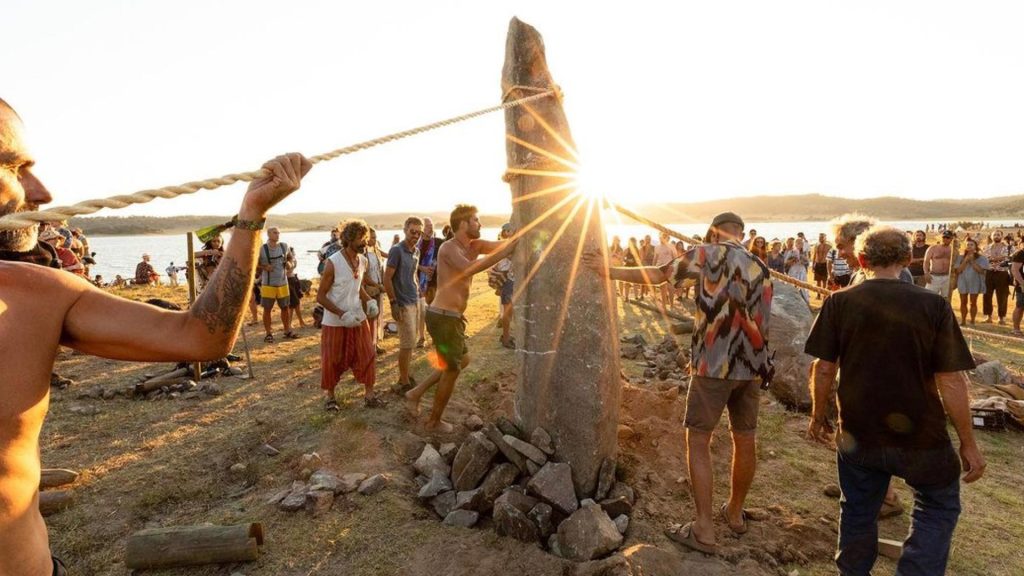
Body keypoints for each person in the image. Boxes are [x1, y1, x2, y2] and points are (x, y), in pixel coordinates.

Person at [1, 96, 312, 576]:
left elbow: (201, 337)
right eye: (12, 167)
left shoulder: (36, 294)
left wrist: (250, 216)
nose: (41, 192)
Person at [583, 212, 773, 554]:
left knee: (698, 439)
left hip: (713, 364)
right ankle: (734, 514)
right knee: (745, 439)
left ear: (714, 233)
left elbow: (658, 275)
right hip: (752, 367)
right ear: (740, 233)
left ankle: (703, 529)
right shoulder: (760, 265)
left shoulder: (706, 254)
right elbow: (763, 319)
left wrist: (607, 270)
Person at [805, 226, 985, 576]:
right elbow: (951, 381)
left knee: (857, 510)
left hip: (859, 432)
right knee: (936, 507)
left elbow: (823, 369)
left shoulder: (840, 302)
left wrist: (817, 417)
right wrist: (968, 443)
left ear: (861, 259)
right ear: (907, 259)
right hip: (922, 435)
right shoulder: (933, 305)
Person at [404, 204, 518, 432]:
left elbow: (502, 246)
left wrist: (518, 238)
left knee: (459, 361)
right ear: (463, 224)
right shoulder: (448, 248)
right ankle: (434, 422)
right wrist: (505, 253)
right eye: (476, 220)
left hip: (452, 318)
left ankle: (414, 393)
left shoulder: (475, 245)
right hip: (442, 317)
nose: (480, 224)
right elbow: (469, 269)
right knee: (452, 369)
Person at [316, 219, 382, 410]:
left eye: (366, 237)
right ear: (349, 238)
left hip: (358, 317)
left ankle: (370, 396)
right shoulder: (332, 263)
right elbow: (320, 296)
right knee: (332, 360)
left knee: (367, 354)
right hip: (335, 321)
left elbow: (357, 285)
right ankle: (330, 398)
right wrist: (342, 314)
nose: (365, 242)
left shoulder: (363, 260)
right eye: (361, 238)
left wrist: (368, 300)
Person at [385, 217, 422, 391]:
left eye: (418, 232)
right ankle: (403, 381)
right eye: (412, 231)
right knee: (406, 344)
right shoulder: (396, 251)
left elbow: (413, 274)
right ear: (405, 230)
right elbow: (387, 278)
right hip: (402, 303)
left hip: (414, 300)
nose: (415, 235)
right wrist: (393, 302)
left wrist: (418, 291)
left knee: (411, 342)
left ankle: (404, 375)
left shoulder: (416, 250)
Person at [258, 226, 297, 342]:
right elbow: (254, 263)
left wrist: (290, 264)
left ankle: (287, 330)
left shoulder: (284, 246)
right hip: (268, 284)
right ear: (268, 234)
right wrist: (264, 267)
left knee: (285, 307)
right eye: (275, 233)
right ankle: (268, 334)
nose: (278, 235)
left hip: (283, 283)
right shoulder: (262, 249)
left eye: (278, 233)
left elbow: (291, 258)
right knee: (267, 309)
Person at [416, 217, 442, 348]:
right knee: (421, 311)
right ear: (421, 229)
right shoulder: (416, 245)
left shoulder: (438, 243)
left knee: (434, 310)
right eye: (427, 226)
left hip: (435, 281)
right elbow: (411, 263)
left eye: (431, 225)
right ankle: (421, 337)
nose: (430, 228)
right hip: (419, 283)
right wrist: (423, 268)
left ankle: (435, 336)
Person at [492, 222, 516, 349]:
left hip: (509, 280)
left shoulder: (505, 244)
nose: (511, 233)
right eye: (509, 231)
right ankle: (506, 338)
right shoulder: (505, 245)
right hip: (507, 280)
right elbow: (511, 259)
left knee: (509, 311)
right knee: (508, 311)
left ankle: (507, 336)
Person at [954, 239, 988, 325]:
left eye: (971, 244)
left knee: (973, 302)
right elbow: (958, 271)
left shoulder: (982, 258)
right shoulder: (960, 257)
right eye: (967, 244)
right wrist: (965, 260)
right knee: (963, 301)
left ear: (976, 247)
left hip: (975, 281)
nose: (969, 246)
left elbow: (981, 271)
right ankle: (963, 320)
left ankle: (972, 320)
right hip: (963, 281)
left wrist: (972, 261)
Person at [364, 228, 386, 354]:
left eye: (375, 236)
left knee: (377, 317)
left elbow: (380, 268)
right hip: (369, 290)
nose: (375, 239)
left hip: (378, 288)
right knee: (369, 318)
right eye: (372, 237)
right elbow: (364, 275)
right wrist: (377, 285)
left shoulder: (376, 251)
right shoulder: (363, 253)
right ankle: (368, 346)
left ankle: (374, 343)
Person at [981, 230, 1010, 325]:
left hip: (1002, 273)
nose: (996, 236)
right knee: (987, 295)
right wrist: (1000, 258)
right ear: (991, 236)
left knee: (1002, 296)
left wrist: (993, 259)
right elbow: (984, 259)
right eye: (995, 235)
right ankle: (988, 316)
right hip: (989, 273)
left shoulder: (1008, 248)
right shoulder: (986, 247)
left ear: (1002, 236)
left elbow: (1010, 258)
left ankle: (1001, 318)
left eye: (998, 235)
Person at [923, 230, 955, 296]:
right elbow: (926, 261)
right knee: (930, 297)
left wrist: (955, 278)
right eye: (944, 237)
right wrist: (926, 273)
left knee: (946, 298)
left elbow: (956, 263)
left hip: (947, 277)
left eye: (948, 238)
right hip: (934, 276)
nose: (945, 239)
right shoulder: (933, 248)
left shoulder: (953, 250)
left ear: (951, 239)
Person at [286, 245, 307, 328]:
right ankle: (299, 321)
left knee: (294, 304)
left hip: (294, 279)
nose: (293, 254)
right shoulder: (287, 262)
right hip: (289, 281)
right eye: (292, 253)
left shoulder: (292, 260)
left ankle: (291, 323)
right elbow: (288, 269)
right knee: (295, 303)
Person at [653, 231, 676, 309]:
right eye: (661, 236)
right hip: (659, 269)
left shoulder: (671, 246)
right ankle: (664, 305)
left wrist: (674, 269)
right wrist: (653, 268)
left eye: (665, 236)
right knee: (662, 288)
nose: (662, 238)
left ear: (667, 238)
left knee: (670, 288)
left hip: (669, 269)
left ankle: (672, 305)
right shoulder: (657, 247)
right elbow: (655, 258)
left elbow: (675, 258)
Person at [811, 233, 831, 299]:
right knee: (818, 281)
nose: (820, 239)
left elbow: (831, 257)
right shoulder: (816, 245)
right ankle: (818, 295)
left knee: (824, 281)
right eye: (820, 237)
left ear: (825, 238)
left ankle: (824, 295)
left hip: (824, 264)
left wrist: (831, 266)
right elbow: (814, 255)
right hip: (817, 264)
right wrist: (813, 264)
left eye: (822, 237)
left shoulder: (829, 246)